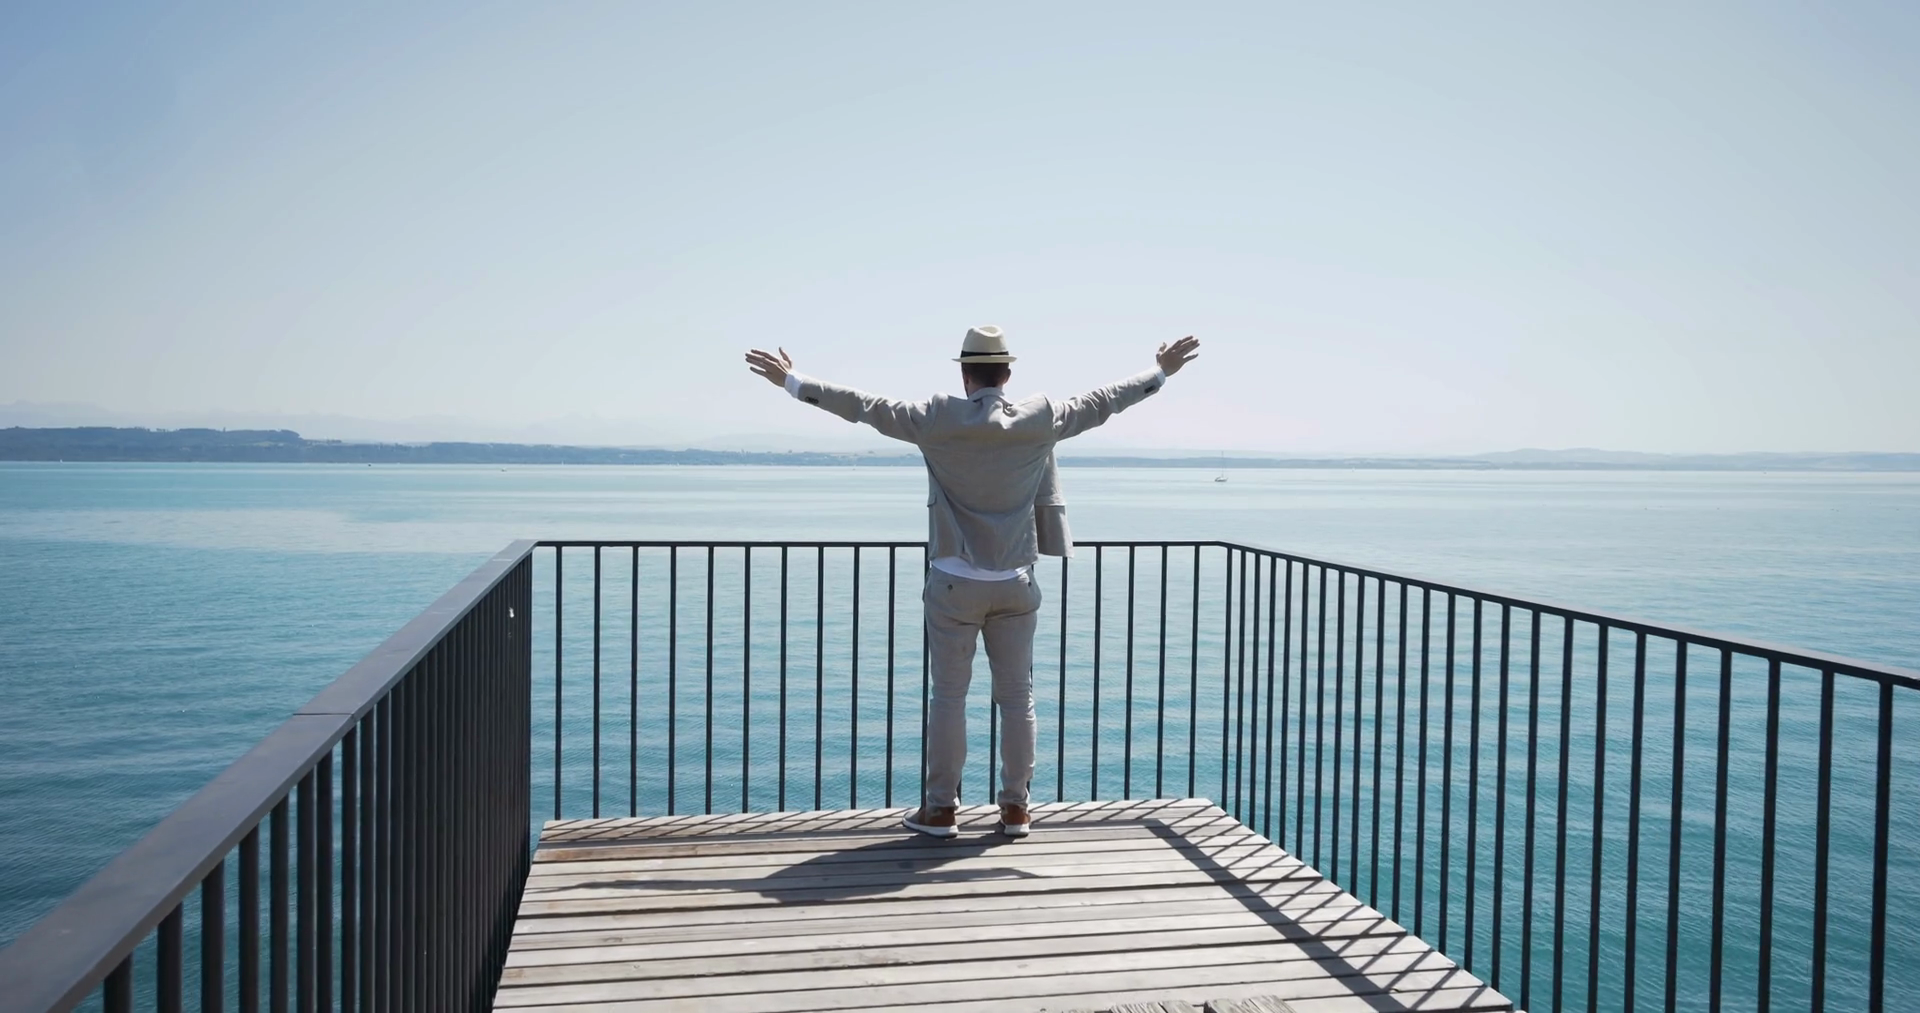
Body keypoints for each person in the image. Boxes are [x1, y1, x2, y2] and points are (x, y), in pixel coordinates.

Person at [744, 327, 1201, 838]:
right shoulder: (1041, 417)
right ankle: (1015, 809)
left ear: (965, 374)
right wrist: (1160, 372)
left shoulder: (937, 418)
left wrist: (793, 382)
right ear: (1007, 375)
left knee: (949, 698)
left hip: (954, 584)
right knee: (1017, 697)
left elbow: (863, 406)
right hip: (1015, 584)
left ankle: (940, 809)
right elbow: (1103, 401)